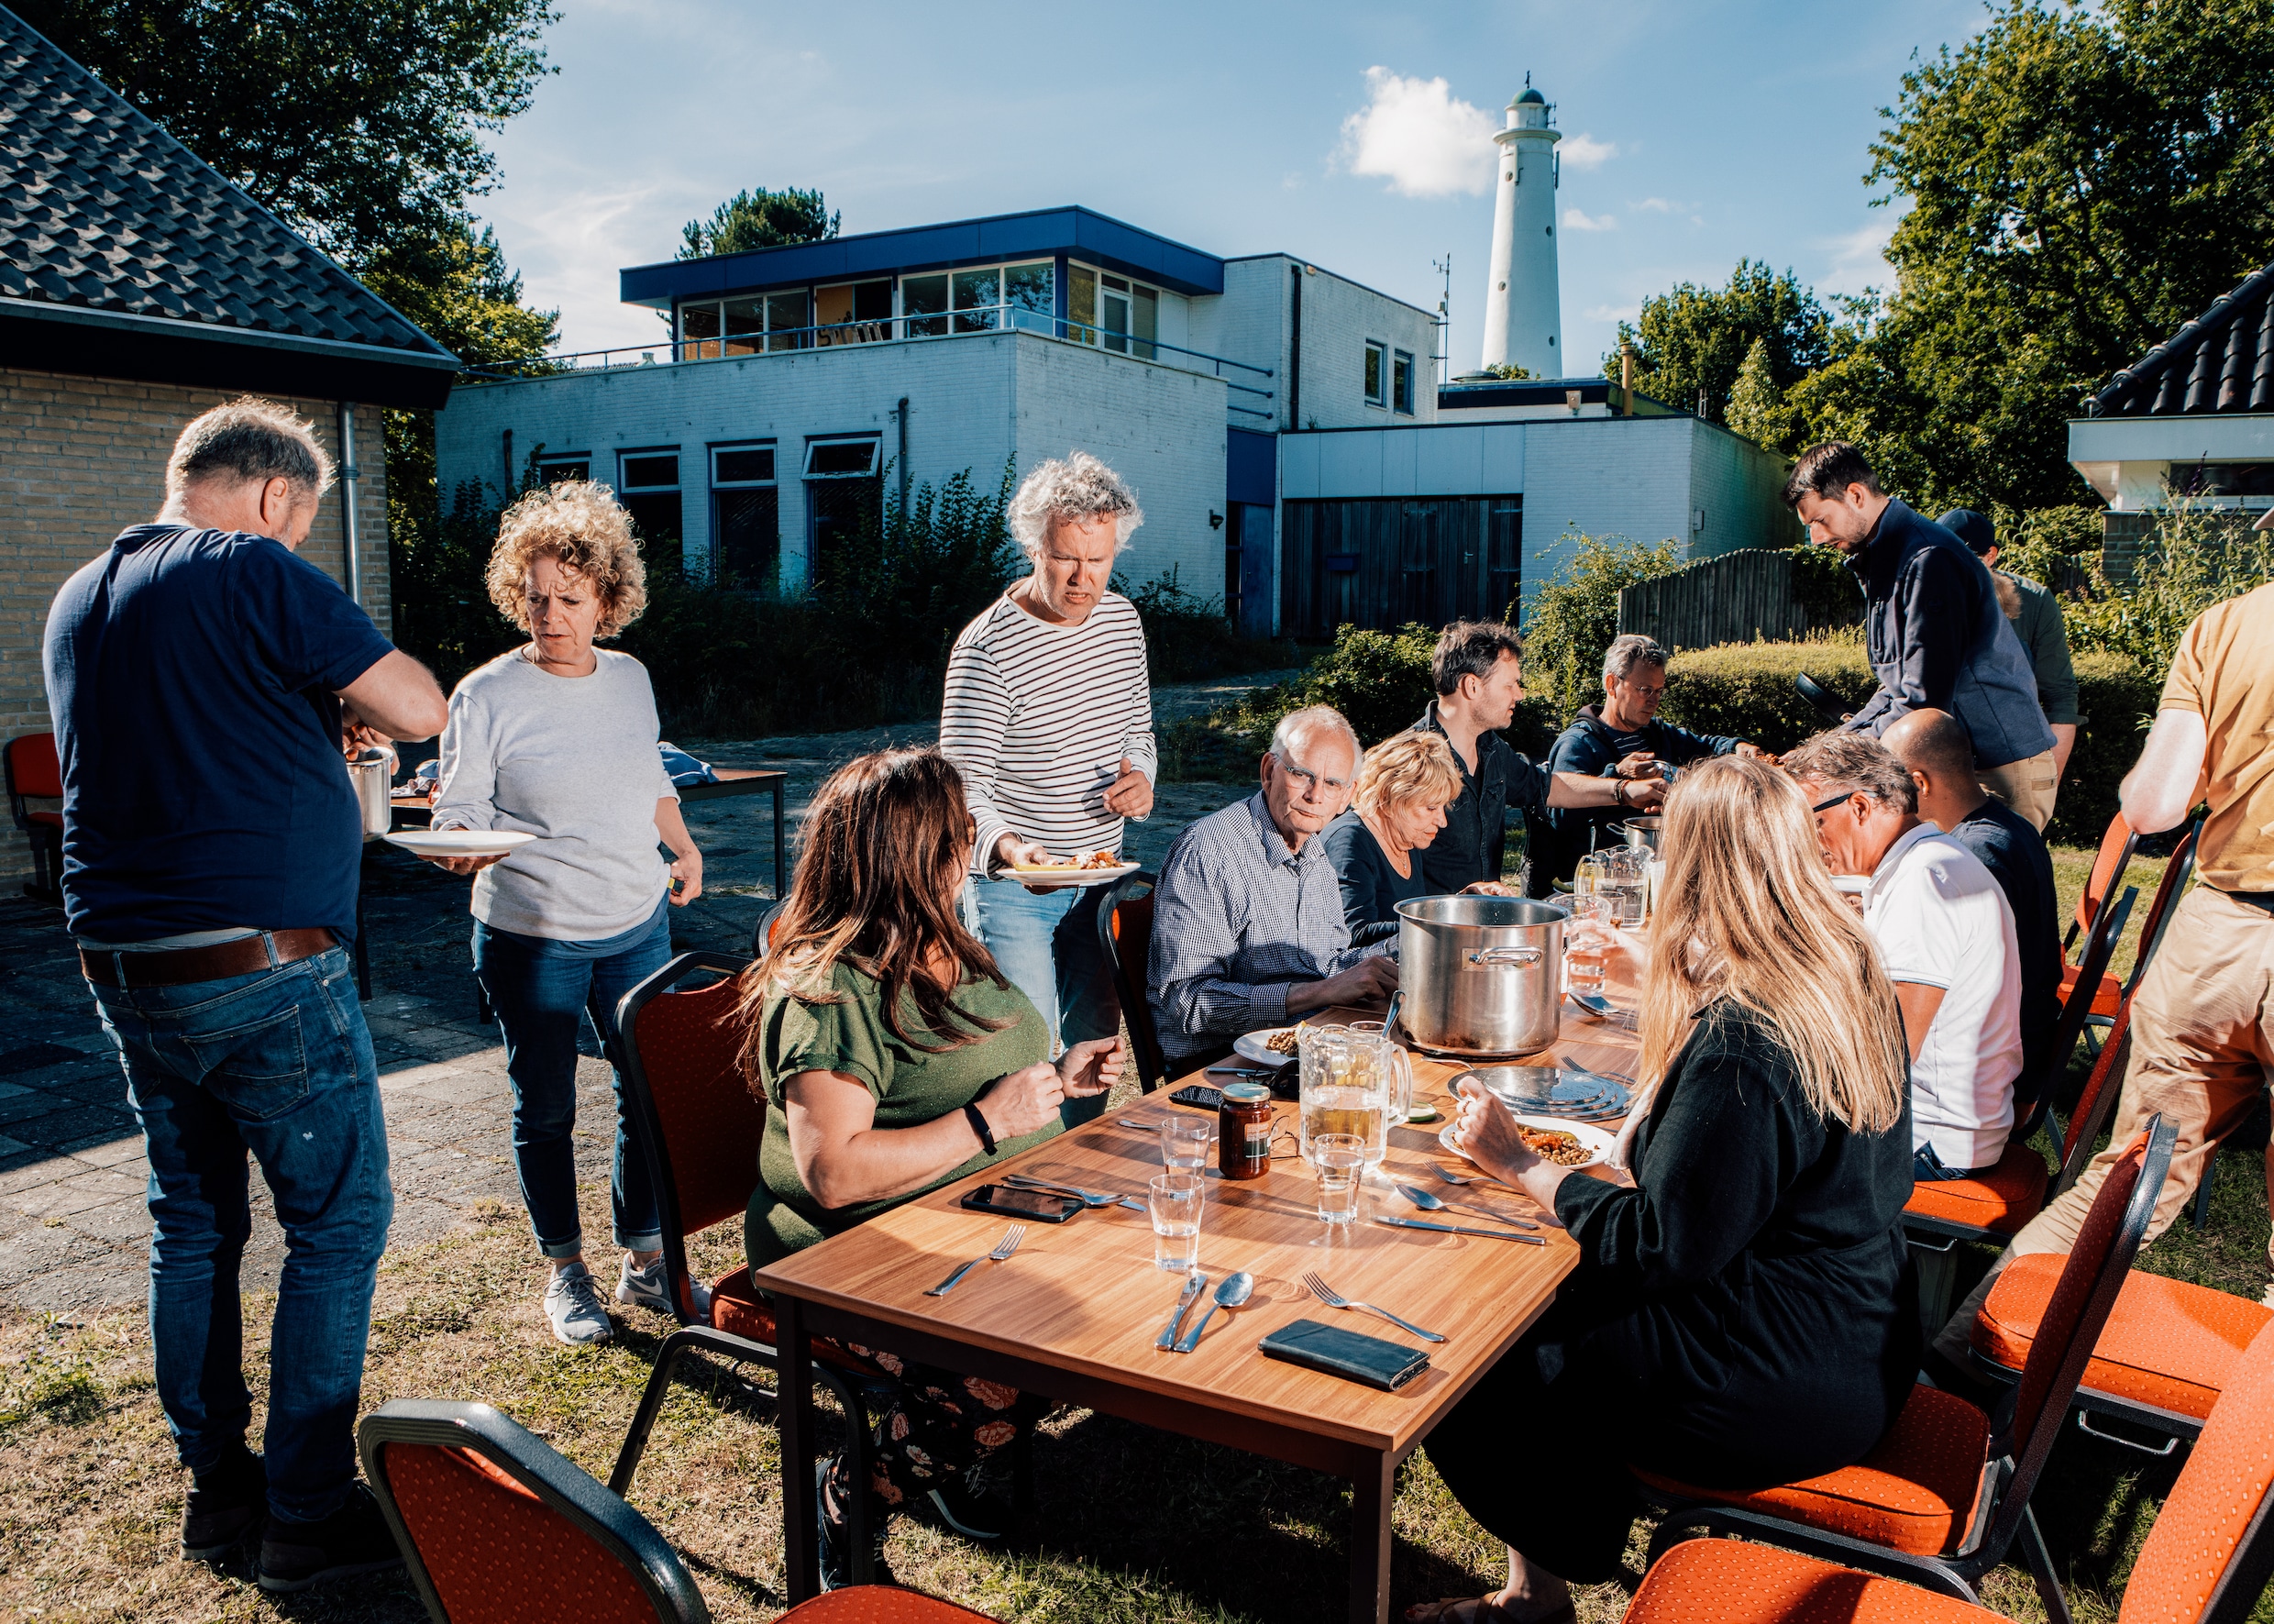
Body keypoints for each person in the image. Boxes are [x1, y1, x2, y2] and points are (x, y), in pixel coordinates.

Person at [43, 399, 448, 1588]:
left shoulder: (85, 591)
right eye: (305, 523)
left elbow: (184, 750)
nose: (299, 542)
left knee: (195, 1223)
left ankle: (215, 1491)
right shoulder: (252, 568)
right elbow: (418, 705)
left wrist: (313, 742)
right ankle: (305, 1511)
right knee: (337, 1224)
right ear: (275, 498)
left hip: (127, 967)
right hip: (261, 972)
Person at [1410, 756, 1916, 1624]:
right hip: (1860, 1336)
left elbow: (1657, 1245)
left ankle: (1556, 1567)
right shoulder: (1845, 975)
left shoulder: (1749, 1039)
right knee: (1544, 1292)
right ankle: (1543, 1578)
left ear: (1691, 867)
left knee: (1481, 1329)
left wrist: (1521, 1161)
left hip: (1774, 1379)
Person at [739, 747, 1122, 1583]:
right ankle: (853, 1498)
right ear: (914, 856)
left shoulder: (942, 932)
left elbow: (962, 1075)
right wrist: (990, 1121)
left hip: (975, 1216)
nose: (974, 841)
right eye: (959, 831)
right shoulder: (829, 992)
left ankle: (951, 1455)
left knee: (1119, 1310)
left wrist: (1057, 1080)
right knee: (1014, 1368)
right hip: (843, 1255)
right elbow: (834, 1172)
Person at [1932, 569, 2274, 1368]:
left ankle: (1960, 1354)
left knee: (2121, 1181)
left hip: (2217, 938)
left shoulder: (2225, 623)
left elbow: (2153, 807)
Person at [424, 481, 705, 1347]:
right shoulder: (486, 695)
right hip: (534, 934)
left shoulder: (630, 678)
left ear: (608, 599)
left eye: (570, 598)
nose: (549, 615)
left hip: (635, 923)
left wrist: (684, 847)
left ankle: (646, 1257)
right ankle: (565, 1272)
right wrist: (458, 841)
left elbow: (648, 775)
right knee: (544, 1106)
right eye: (536, 596)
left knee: (645, 1093)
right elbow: (454, 809)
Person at [940, 451, 1153, 1128]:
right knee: (1027, 1067)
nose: (1084, 579)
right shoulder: (987, 647)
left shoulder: (1123, 624)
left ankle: (1082, 1186)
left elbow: (1139, 730)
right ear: (1034, 545)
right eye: (1067, 558)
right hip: (1015, 892)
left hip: (1100, 877)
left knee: (1093, 1061)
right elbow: (959, 785)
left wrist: (1141, 776)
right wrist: (1006, 845)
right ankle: (1018, 1191)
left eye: (1100, 560)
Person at [1783, 731, 2024, 1181]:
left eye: (1811, 821)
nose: (1804, 840)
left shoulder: (1924, 883)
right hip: (1938, 1124)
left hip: (1928, 1140)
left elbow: (1886, 1057)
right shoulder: (1926, 861)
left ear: (1859, 806)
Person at [1783, 442, 2059, 831]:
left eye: (1820, 520)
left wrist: (1831, 758)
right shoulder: (1890, 557)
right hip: (1965, 771)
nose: (1815, 537)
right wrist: (1830, 746)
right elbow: (1895, 687)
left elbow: (1922, 702)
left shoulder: (1928, 559)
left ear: (1856, 496)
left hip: (1999, 774)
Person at [1148, 706, 1399, 1067]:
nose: (1316, 795)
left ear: (1348, 796)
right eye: (1303, 774)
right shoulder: (1210, 851)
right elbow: (1186, 1001)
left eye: (1333, 784)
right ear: (1268, 771)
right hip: (1221, 1069)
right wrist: (1321, 992)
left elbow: (1326, 966)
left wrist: (1410, 945)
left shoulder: (1314, 852)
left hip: (1303, 1049)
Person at [1407, 620, 1665, 901]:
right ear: (1472, 686)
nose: (1520, 694)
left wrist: (1624, 791)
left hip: (1483, 927)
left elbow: (1546, 787)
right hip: (1430, 935)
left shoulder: (1491, 748)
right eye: (1511, 684)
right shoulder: (1409, 762)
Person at [1884, 708, 2061, 1115]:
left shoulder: (1970, 857)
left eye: (1887, 785)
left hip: (1989, 1083)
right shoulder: (2008, 827)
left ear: (1918, 784)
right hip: (2023, 1039)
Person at [1536, 633, 1760, 888]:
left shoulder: (1656, 733)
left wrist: (1738, 747)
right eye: (1645, 690)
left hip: (1661, 872)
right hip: (1601, 883)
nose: (1654, 701)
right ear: (1612, 684)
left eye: (1659, 691)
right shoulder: (1578, 744)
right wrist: (1616, 776)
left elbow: (1707, 746)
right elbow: (1558, 815)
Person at [1322, 729, 1509, 945]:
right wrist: (1448, 922)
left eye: (1443, 807)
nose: (1442, 821)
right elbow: (1354, 935)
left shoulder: (1406, 838)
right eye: (1431, 808)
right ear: (1390, 798)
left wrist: (1464, 903)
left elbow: (1406, 916)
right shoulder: (1349, 841)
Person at [1937, 508, 2081, 786]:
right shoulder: (1922, 599)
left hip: (2011, 766)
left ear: (1990, 555)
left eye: (1961, 559)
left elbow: (2061, 697)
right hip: (1939, 764)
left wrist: (2047, 784)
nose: (1948, 571)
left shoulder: (2034, 602)